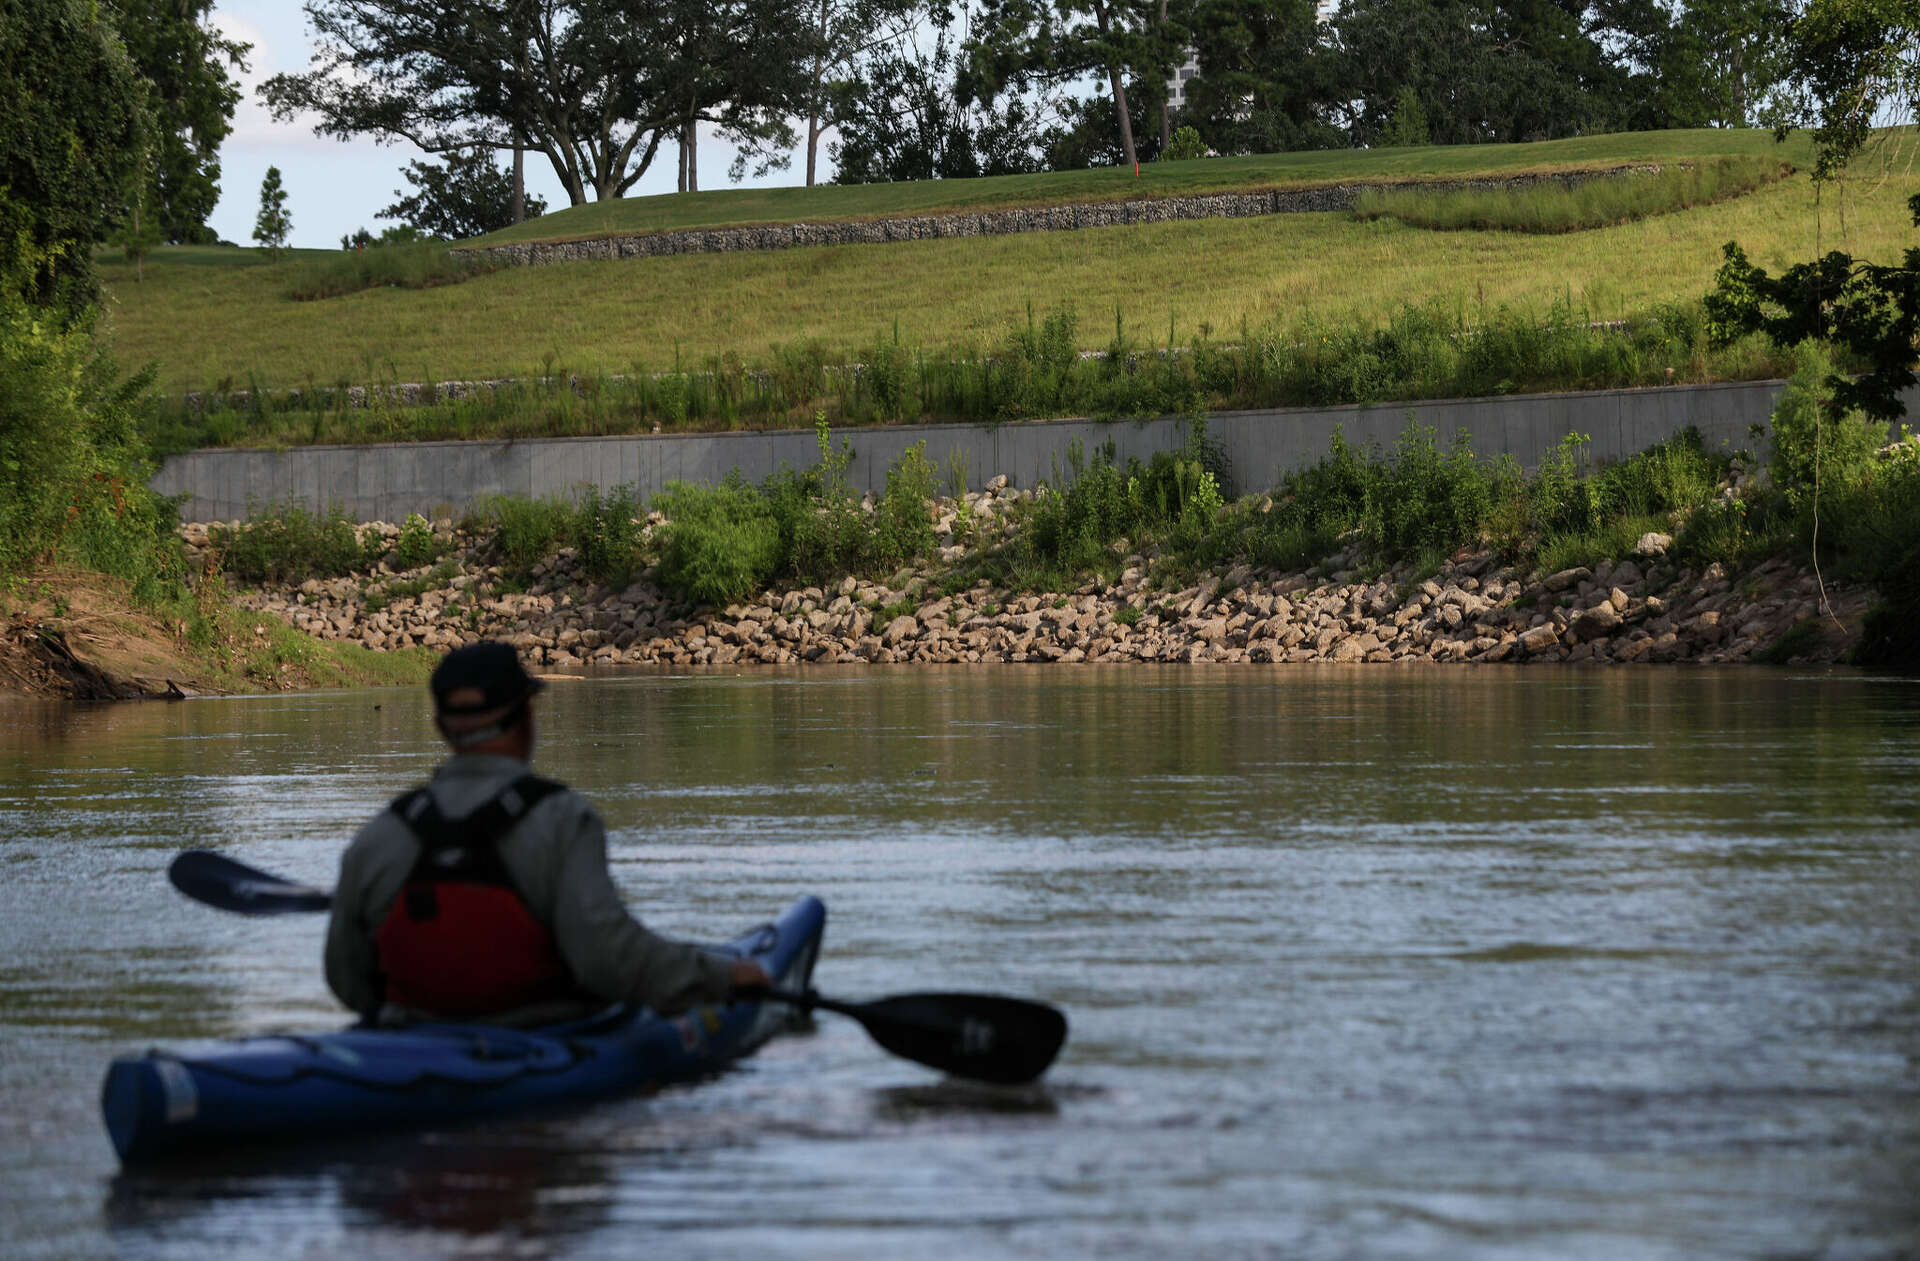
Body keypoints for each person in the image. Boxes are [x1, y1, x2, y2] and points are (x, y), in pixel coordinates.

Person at [325, 640, 768, 1025]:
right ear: (526, 717)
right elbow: (608, 960)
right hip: (540, 1035)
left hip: (409, 1041)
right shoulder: (564, 820)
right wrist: (722, 975)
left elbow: (347, 981)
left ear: (441, 727)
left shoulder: (378, 834)